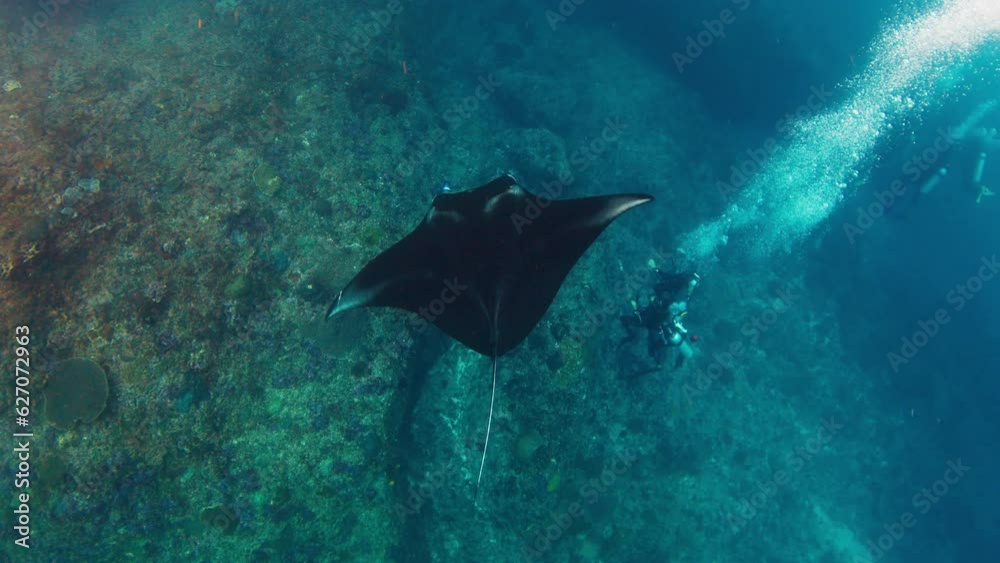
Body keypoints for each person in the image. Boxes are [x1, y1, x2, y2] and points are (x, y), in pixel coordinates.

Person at [620, 263, 700, 370]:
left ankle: (633, 338)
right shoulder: (679, 297)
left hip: (655, 324)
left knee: (652, 347)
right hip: (660, 325)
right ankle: (661, 362)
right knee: (655, 346)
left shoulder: (669, 300)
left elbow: (640, 317)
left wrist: (634, 306)